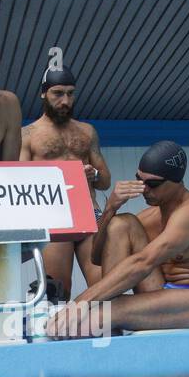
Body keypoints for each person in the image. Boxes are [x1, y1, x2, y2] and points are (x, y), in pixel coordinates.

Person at [45, 141, 189, 337]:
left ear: (176, 182)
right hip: (164, 291)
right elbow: (96, 258)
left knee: (97, 316)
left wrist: (80, 303)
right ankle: (106, 319)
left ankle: (103, 325)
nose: (144, 189)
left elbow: (143, 262)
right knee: (121, 223)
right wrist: (110, 208)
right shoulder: (150, 216)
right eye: (139, 180)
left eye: (152, 184)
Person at [20, 67, 111, 299]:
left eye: (71, 94)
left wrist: (93, 177)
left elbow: (105, 181)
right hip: (53, 215)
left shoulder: (87, 131)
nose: (65, 100)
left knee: (104, 286)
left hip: (89, 213)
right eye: (58, 93)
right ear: (43, 94)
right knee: (57, 291)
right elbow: (19, 184)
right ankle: (57, 333)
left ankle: (108, 332)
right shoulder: (28, 135)